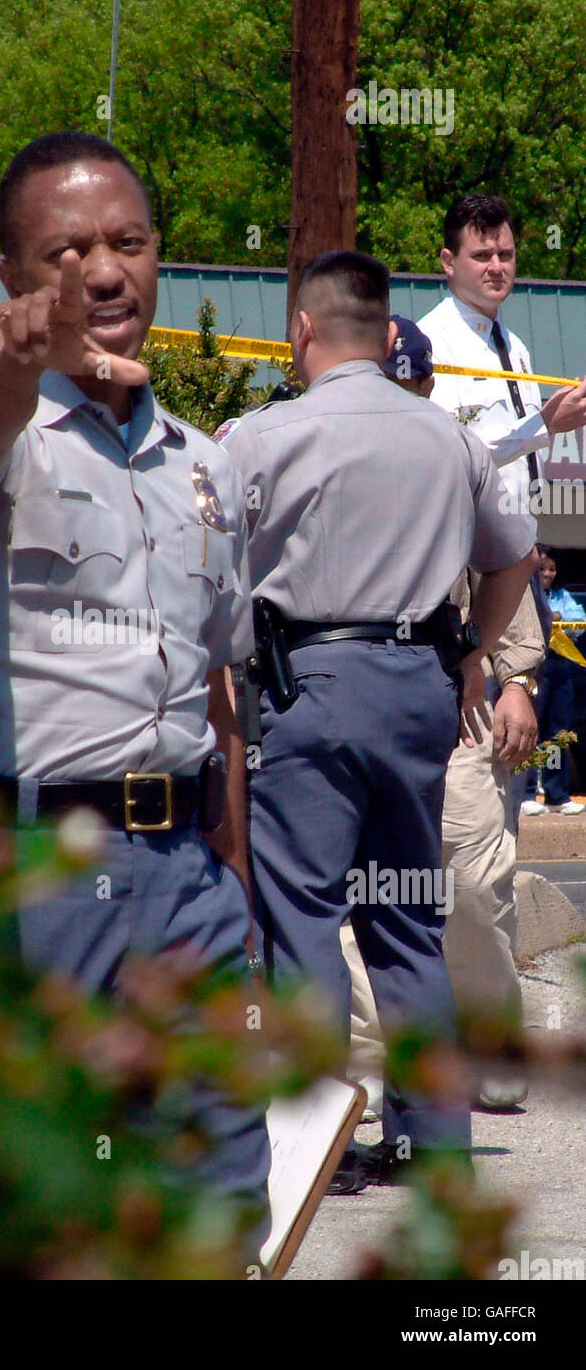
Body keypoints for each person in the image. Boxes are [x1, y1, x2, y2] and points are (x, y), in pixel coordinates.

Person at [0, 131, 269, 1235]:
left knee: (218, 1200)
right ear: (11, 278)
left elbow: (215, 686)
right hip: (23, 882)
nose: (105, 270)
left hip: (184, 879)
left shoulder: (207, 461)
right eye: (67, 251)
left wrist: (232, 886)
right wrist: (11, 357)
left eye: (128, 241)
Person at [221, 251, 538, 1182]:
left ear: (303, 332)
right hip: (417, 687)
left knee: (304, 916)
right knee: (406, 916)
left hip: (305, 685)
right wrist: (473, 649)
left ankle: (316, 1147)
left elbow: (206, 567)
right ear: (381, 327)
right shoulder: (450, 438)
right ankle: (432, 1144)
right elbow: (514, 556)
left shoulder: (260, 437)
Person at [345, 318, 546, 1134]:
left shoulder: (461, 466)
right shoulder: (325, 463)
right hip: (352, 705)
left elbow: (513, 566)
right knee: (355, 891)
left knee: (465, 886)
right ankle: (366, 1072)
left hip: (458, 694)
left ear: (428, 388)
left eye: (411, 383)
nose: (399, 398)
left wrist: (517, 682)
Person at [418, 194, 586, 516]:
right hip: (464, 554)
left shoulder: (515, 346)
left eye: (505, 254)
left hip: (521, 546)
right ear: (448, 262)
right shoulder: (429, 343)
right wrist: (545, 425)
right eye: (482, 256)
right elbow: (451, 456)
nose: (496, 267)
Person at [521, 545, 586, 815]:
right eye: (541, 569)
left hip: (562, 669)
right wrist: (550, 616)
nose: (547, 574)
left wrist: (559, 617)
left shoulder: (563, 596)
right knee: (530, 729)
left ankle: (557, 795)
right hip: (535, 667)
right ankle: (526, 793)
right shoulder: (525, 596)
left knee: (557, 732)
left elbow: (579, 619)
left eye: (552, 569)